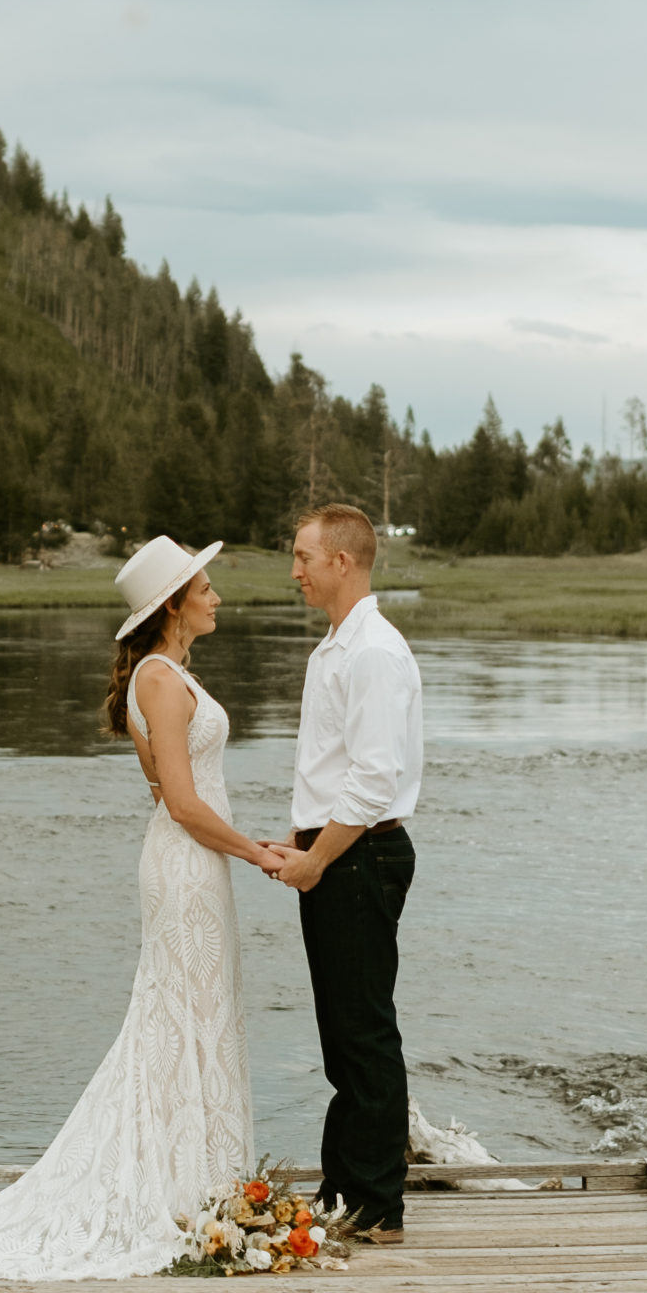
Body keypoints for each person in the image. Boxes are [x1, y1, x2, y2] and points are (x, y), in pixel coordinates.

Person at [0, 534, 283, 1281]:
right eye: (206, 588)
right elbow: (179, 803)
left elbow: (176, 793)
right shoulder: (158, 679)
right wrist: (257, 852)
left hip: (195, 862)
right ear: (174, 604)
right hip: (187, 866)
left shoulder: (169, 673)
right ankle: (183, 1193)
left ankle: (204, 1187)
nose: (217, 599)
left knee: (197, 1012)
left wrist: (241, 842)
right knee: (176, 1014)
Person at [267, 504, 423, 1245]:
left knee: (363, 1031)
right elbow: (335, 776)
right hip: (339, 850)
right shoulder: (334, 648)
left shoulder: (372, 653)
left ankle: (376, 1205)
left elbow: (372, 779)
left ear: (341, 562)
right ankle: (344, 1187)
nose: (293, 571)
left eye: (302, 557)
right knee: (342, 1032)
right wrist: (299, 838)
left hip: (360, 856)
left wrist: (316, 858)